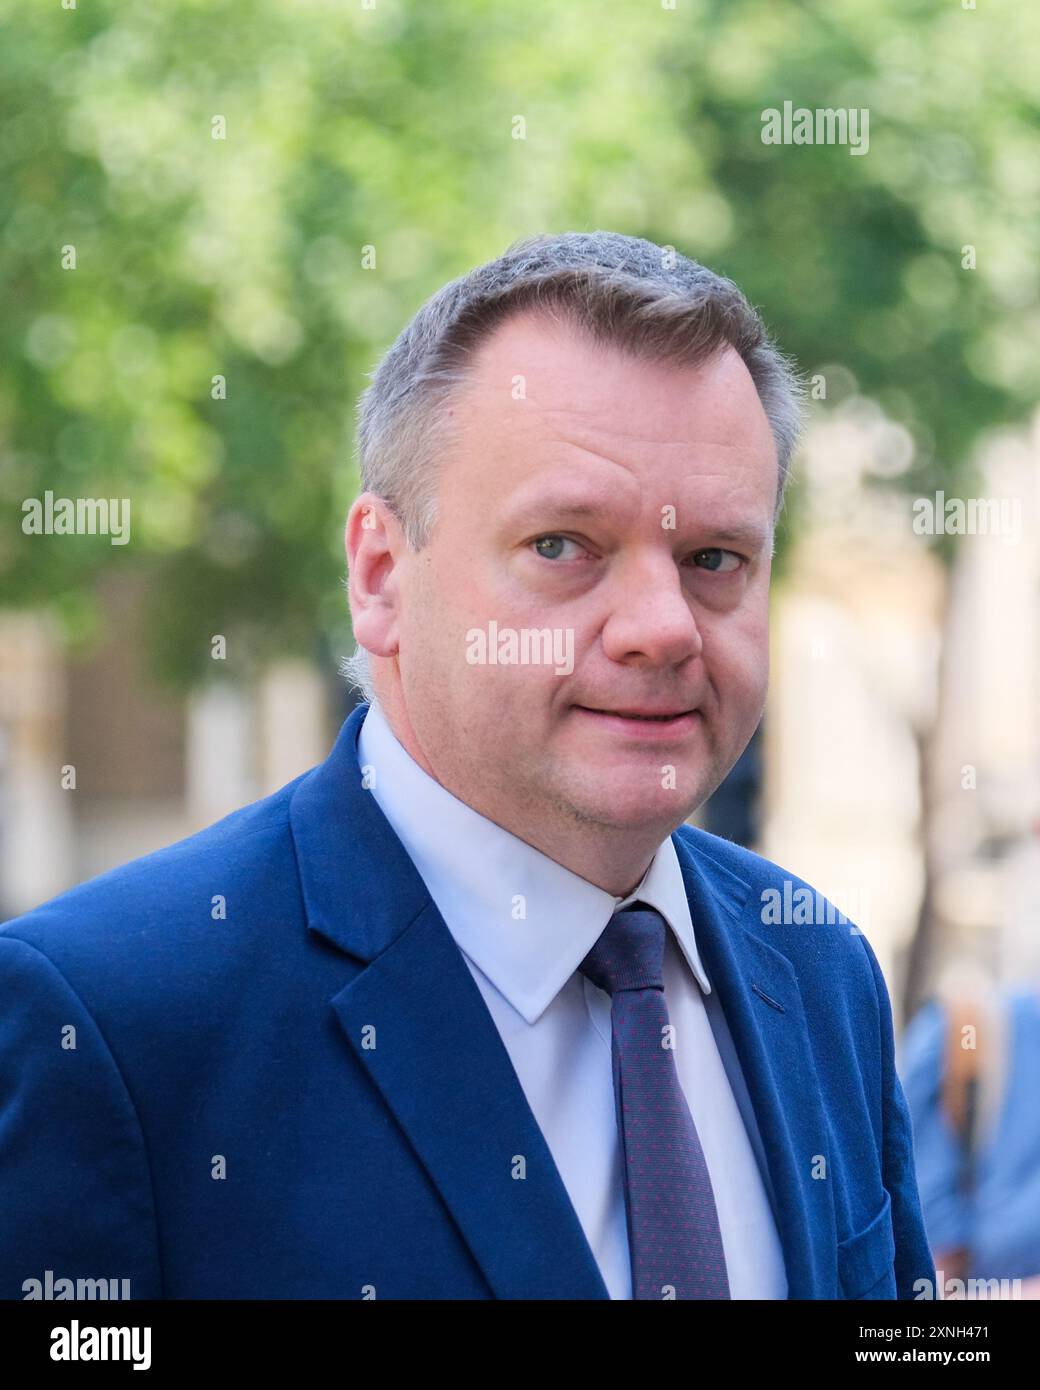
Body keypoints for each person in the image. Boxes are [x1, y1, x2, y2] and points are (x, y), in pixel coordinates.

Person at [0, 231, 935, 1300]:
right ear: (382, 576)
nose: (660, 627)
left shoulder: (815, 970)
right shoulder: (108, 1019)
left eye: (712, 559)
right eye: (562, 546)